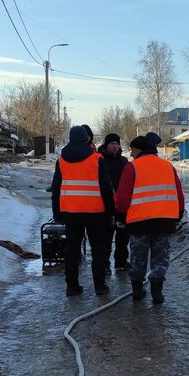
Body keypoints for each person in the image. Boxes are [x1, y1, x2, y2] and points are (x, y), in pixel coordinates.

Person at [115, 131, 184, 304]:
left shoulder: (132, 167)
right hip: (165, 222)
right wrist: (178, 214)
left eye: (132, 150)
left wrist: (121, 217)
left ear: (139, 150)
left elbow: (123, 197)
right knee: (160, 258)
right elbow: (179, 194)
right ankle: (157, 293)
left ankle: (137, 291)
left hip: (139, 223)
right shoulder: (168, 166)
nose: (130, 154)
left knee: (138, 257)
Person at [51, 125, 115, 297]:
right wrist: (110, 211)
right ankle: (100, 286)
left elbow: (56, 189)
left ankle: (72, 287)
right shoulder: (96, 159)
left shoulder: (61, 162)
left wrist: (57, 213)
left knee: (71, 249)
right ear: (87, 140)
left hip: (70, 214)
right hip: (95, 213)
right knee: (98, 250)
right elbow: (106, 188)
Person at [98, 133, 130, 273]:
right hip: (105, 204)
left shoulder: (124, 161)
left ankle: (121, 261)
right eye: (112, 144)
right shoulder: (100, 160)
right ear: (106, 145)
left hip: (122, 204)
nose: (115, 146)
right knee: (105, 236)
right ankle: (104, 264)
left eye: (117, 144)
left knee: (123, 235)